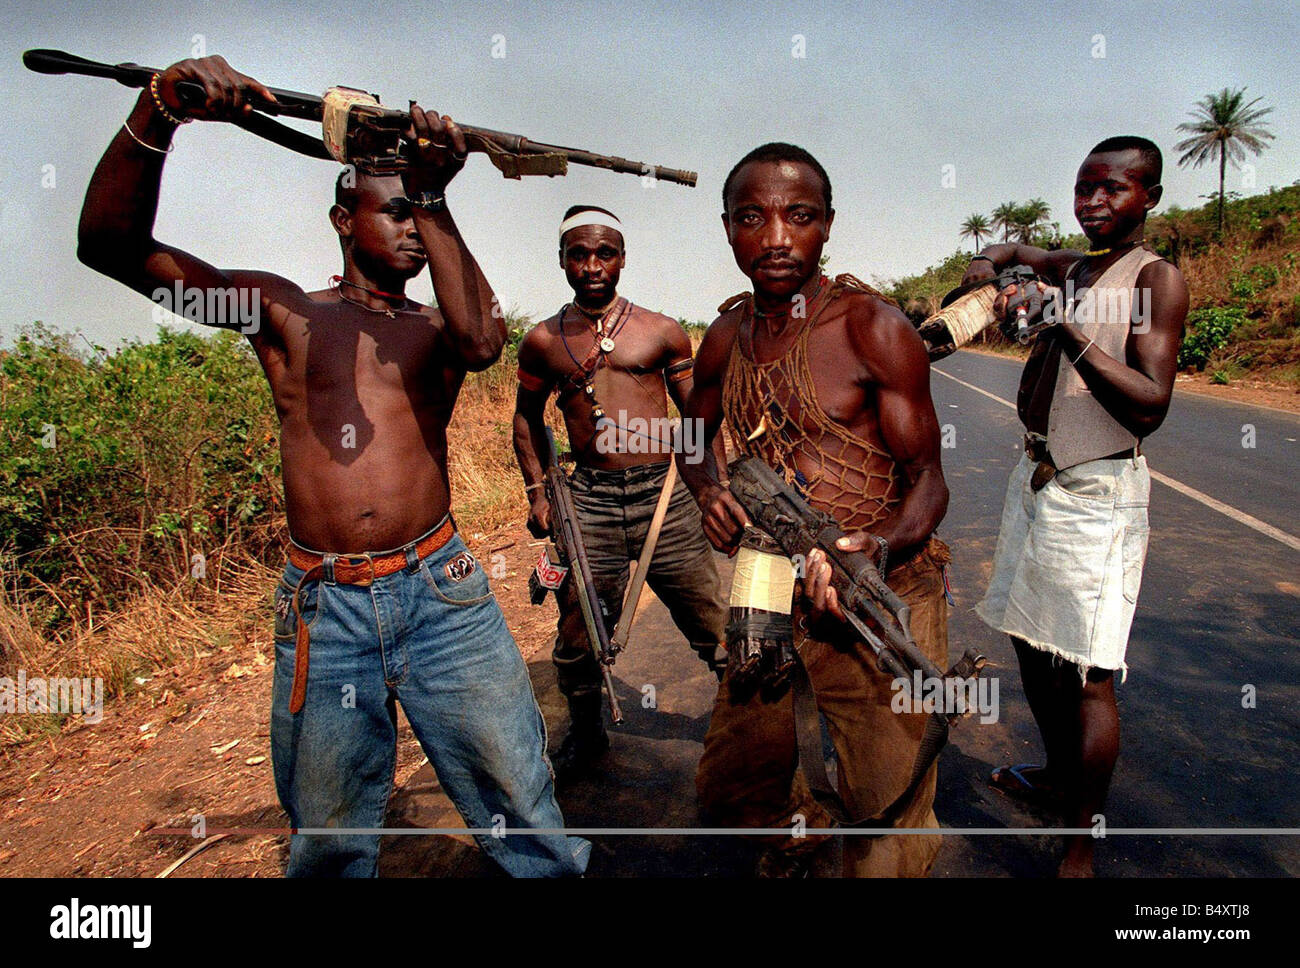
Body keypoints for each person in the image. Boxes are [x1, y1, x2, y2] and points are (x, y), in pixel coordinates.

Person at [76, 54, 587, 877]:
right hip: (327, 609)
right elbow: (108, 248)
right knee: (331, 838)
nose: (412, 232)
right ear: (343, 219)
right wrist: (160, 114)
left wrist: (434, 191)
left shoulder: (436, 327)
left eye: (419, 215)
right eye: (392, 213)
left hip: (441, 594)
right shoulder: (283, 314)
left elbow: (485, 341)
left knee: (522, 807)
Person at [680, 143, 952, 876]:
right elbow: (690, 435)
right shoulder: (726, 337)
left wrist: (878, 548)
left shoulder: (872, 326)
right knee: (737, 781)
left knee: (887, 811)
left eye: (797, 216)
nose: (774, 237)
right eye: (751, 217)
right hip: (766, 582)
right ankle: (795, 838)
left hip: (876, 588)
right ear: (728, 228)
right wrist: (709, 491)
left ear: (827, 225)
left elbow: (929, 479)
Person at [965, 135, 1188, 877]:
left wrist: (1067, 327)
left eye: (1113, 190)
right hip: (1037, 481)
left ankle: (1080, 844)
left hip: (1097, 489)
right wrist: (983, 270)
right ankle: (1061, 778)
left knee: (1092, 673)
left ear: (1148, 198)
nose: (1094, 202)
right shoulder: (1071, 265)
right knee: (1030, 642)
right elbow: (1010, 248)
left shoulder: (1153, 279)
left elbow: (1151, 406)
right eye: (1084, 188)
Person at [513, 205, 728, 779]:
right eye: (578, 254)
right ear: (562, 260)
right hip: (590, 501)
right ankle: (586, 737)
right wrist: (539, 492)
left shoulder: (660, 330)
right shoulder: (541, 341)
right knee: (581, 635)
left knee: (717, 629)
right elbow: (527, 420)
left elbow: (698, 420)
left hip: (666, 499)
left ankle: (747, 734)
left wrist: (715, 489)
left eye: (604, 252)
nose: (591, 265)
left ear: (622, 258)